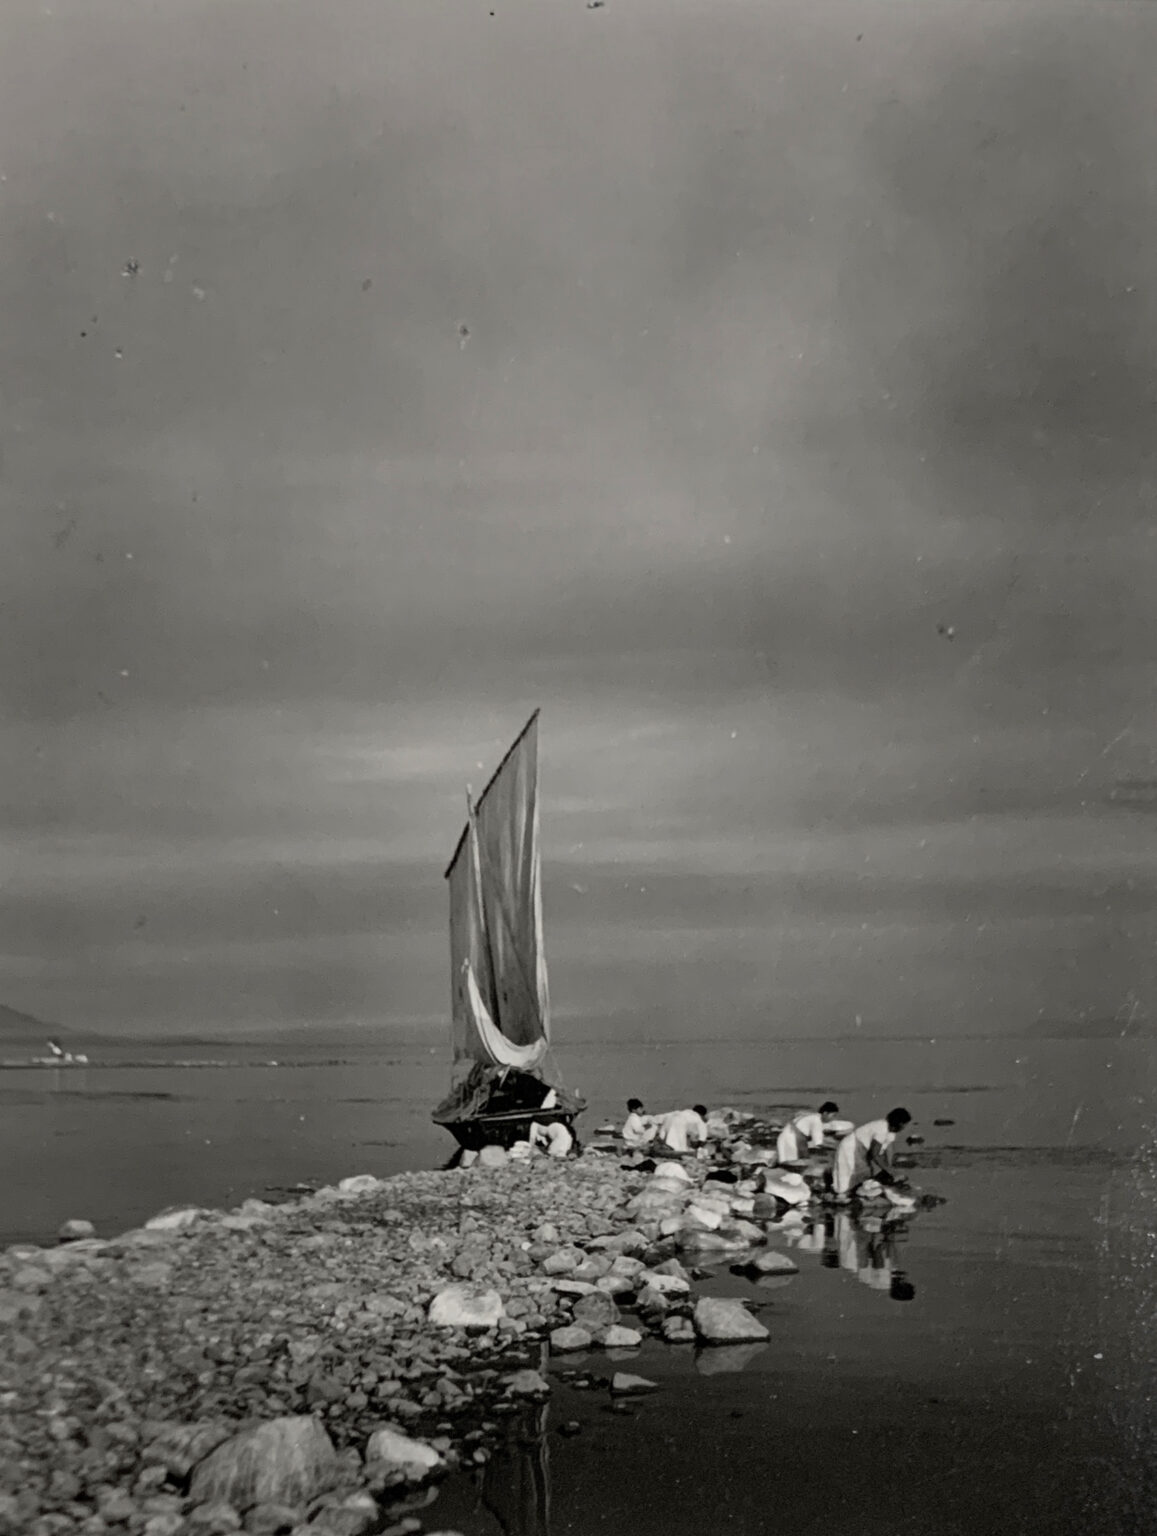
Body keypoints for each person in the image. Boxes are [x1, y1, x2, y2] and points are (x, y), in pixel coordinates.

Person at [832, 1108, 912, 1198]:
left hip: (862, 1149)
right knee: (850, 1173)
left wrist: (890, 1169)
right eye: (905, 1124)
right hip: (851, 1146)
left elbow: (887, 1151)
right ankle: (843, 1194)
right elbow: (875, 1154)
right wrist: (890, 1171)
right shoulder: (882, 1128)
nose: (905, 1127)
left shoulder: (891, 1133)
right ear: (900, 1123)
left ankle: (853, 1192)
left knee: (865, 1172)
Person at [775, 1101, 840, 1164]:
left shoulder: (812, 1116)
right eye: (833, 1115)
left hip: (784, 1137)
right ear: (825, 1113)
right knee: (794, 1164)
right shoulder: (817, 1121)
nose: (833, 1119)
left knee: (785, 1163)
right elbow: (818, 1143)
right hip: (791, 1140)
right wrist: (836, 1147)